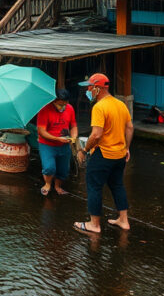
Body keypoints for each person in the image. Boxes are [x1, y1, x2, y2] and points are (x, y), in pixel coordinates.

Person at [74, 73, 133, 234]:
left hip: (103, 154)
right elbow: (130, 127)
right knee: (117, 185)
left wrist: (84, 150)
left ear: (97, 88)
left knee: (94, 187)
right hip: (119, 155)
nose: (87, 90)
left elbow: (96, 135)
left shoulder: (99, 107)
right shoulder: (120, 104)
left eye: (89, 87)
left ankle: (94, 224)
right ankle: (123, 220)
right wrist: (126, 148)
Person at [36, 88, 77, 196]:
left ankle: (58, 186)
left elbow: (73, 126)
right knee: (49, 167)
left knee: (63, 169)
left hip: (64, 144)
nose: (62, 107)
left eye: (64, 104)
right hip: (47, 144)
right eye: (60, 104)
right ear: (54, 101)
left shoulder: (70, 109)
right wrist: (57, 138)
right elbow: (41, 131)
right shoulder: (45, 109)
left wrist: (74, 137)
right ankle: (48, 184)